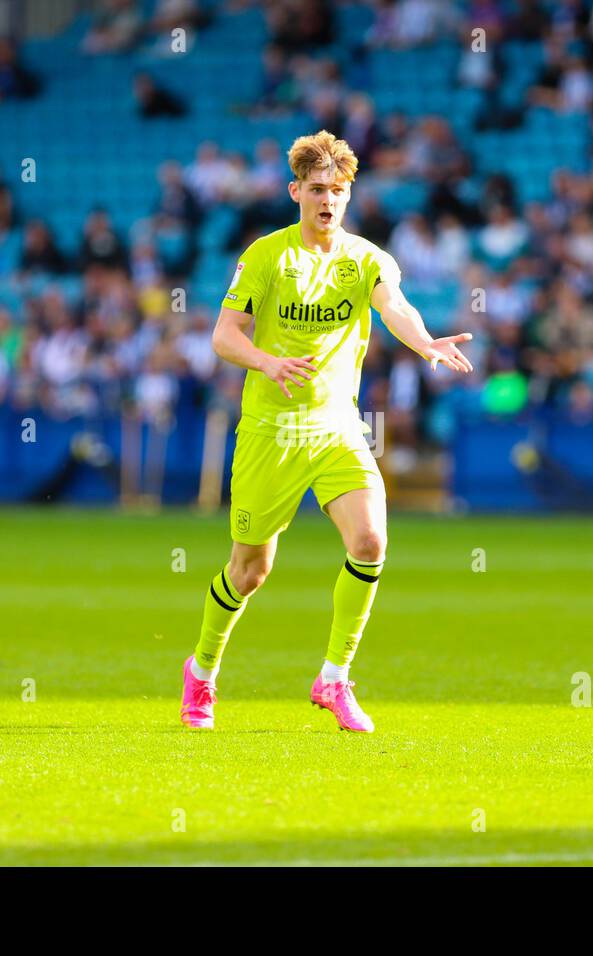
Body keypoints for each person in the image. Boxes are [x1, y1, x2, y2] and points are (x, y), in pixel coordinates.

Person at [180, 130, 475, 732]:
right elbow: (224, 335)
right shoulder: (267, 256)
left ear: (349, 195)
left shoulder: (366, 258)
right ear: (295, 192)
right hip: (270, 430)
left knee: (369, 543)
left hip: (339, 426)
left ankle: (334, 679)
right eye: (317, 189)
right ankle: (202, 672)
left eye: (338, 191)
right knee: (250, 571)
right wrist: (267, 362)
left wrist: (423, 343)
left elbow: (394, 305)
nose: (327, 200)